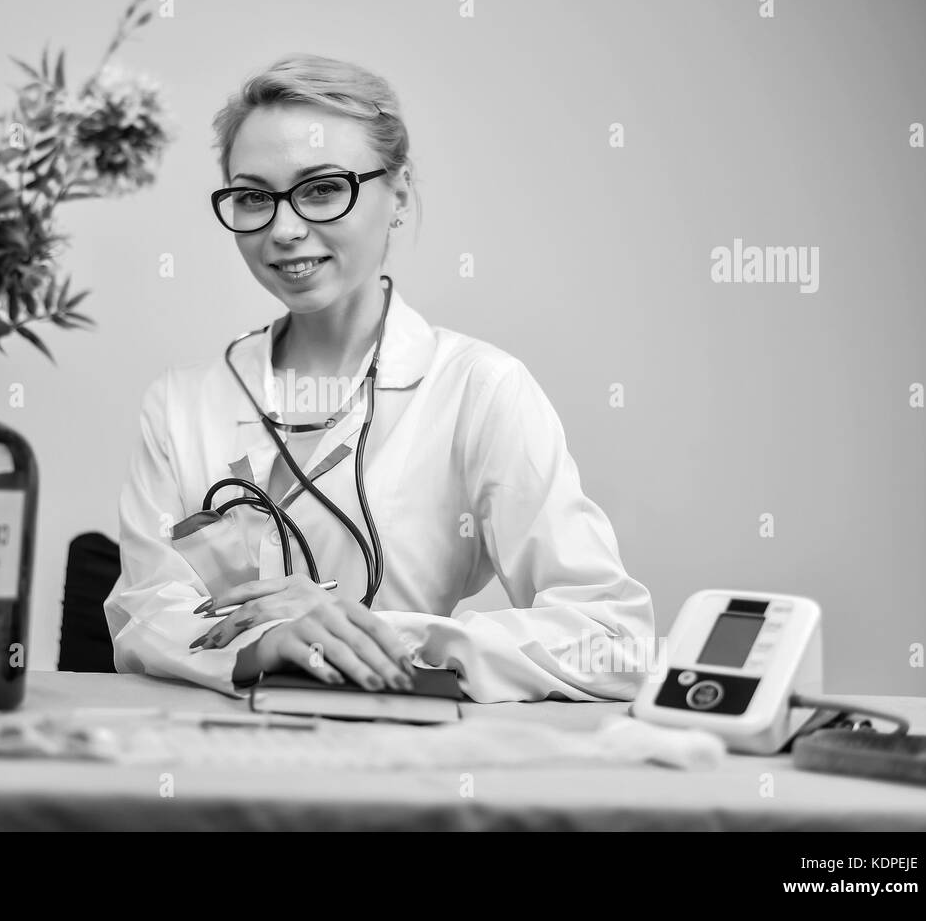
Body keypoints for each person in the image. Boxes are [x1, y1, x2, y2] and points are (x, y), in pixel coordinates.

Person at [102, 54, 655, 703]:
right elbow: (143, 620)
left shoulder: (479, 391)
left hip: (401, 757)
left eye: (322, 188)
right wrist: (269, 639)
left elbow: (612, 639)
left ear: (398, 191)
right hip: (215, 761)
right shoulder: (181, 405)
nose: (283, 228)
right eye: (254, 196)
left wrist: (378, 632)